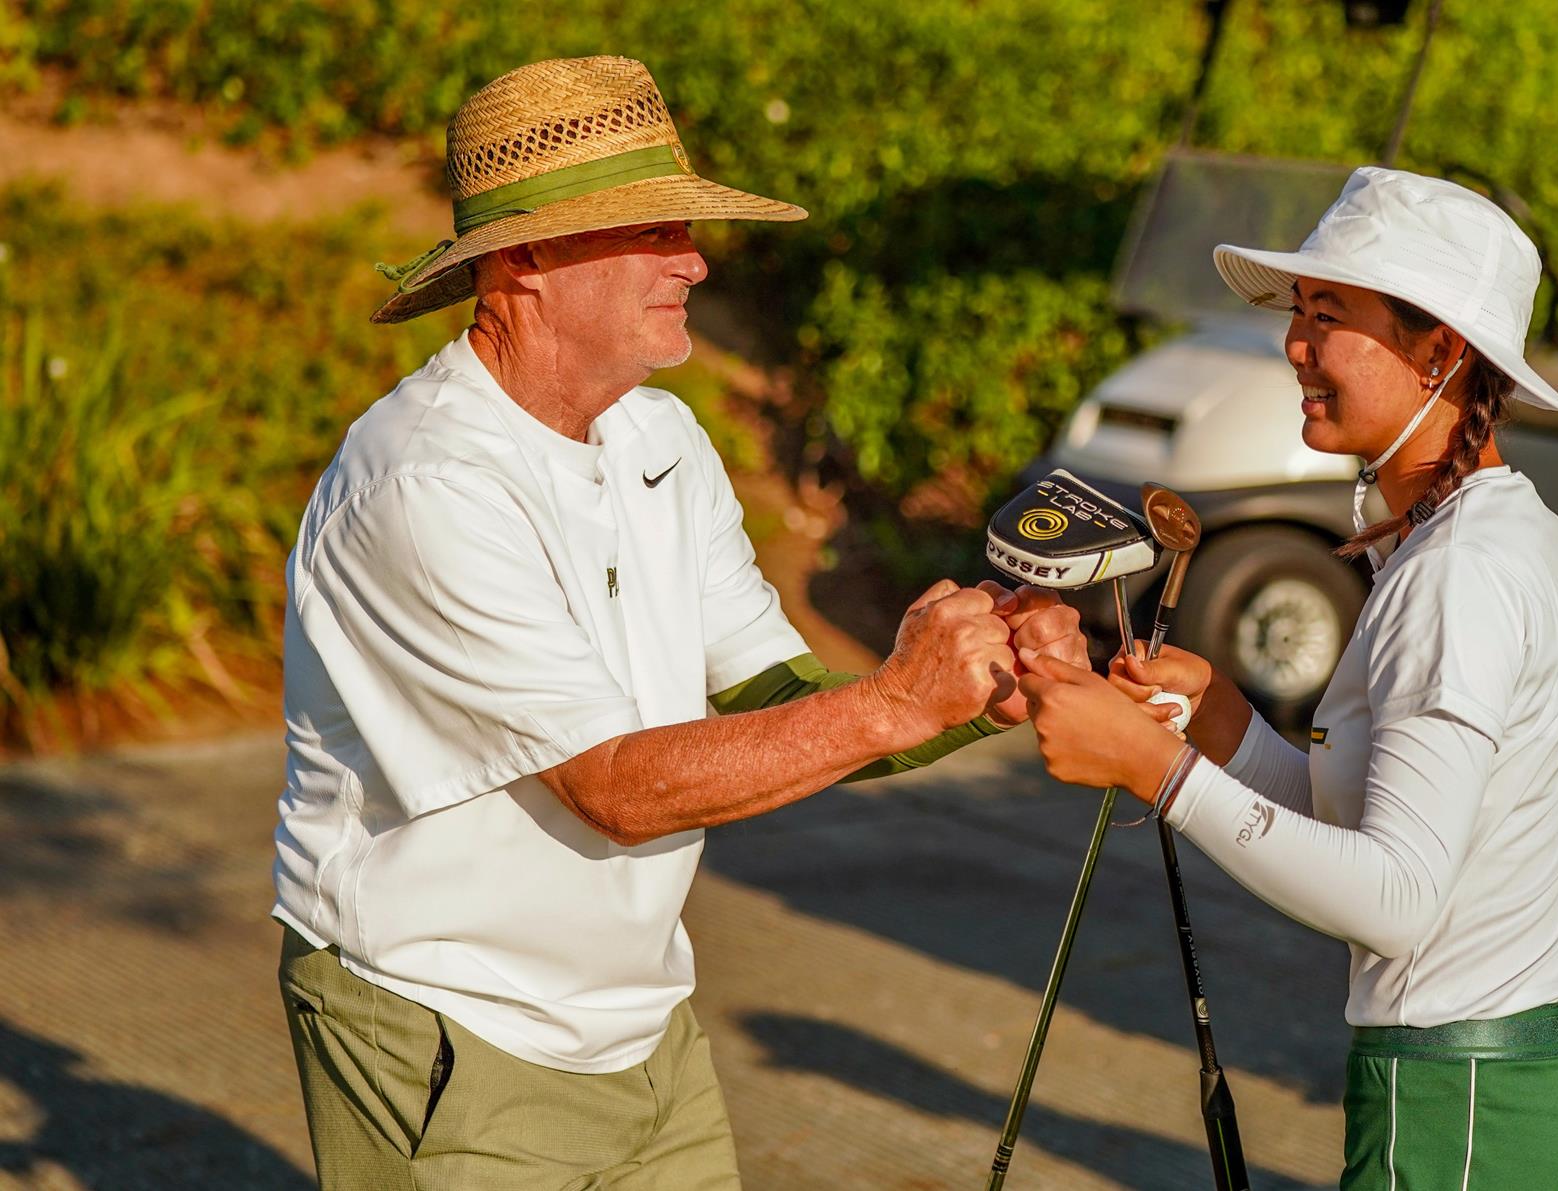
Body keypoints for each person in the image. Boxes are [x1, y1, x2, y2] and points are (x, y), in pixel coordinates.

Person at [271, 56, 1087, 1190]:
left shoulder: (659, 436)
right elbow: (613, 788)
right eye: (651, 229)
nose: (693, 259)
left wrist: (977, 693)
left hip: (645, 1035)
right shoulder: (425, 481)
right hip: (441, 1028)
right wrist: (897, 699)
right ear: (523, 264)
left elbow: (777, 705)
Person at [1015, 167, 1558, 1189]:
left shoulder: (1455, 574)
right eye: (1297, 311)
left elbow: (1397, 901)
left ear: (1440, 352)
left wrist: (1155, 770)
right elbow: (1379, 829)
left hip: (1474, 1120)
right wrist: (1220, 724)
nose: (1293, 345)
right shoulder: (1499, 533)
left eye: (1329, 315)